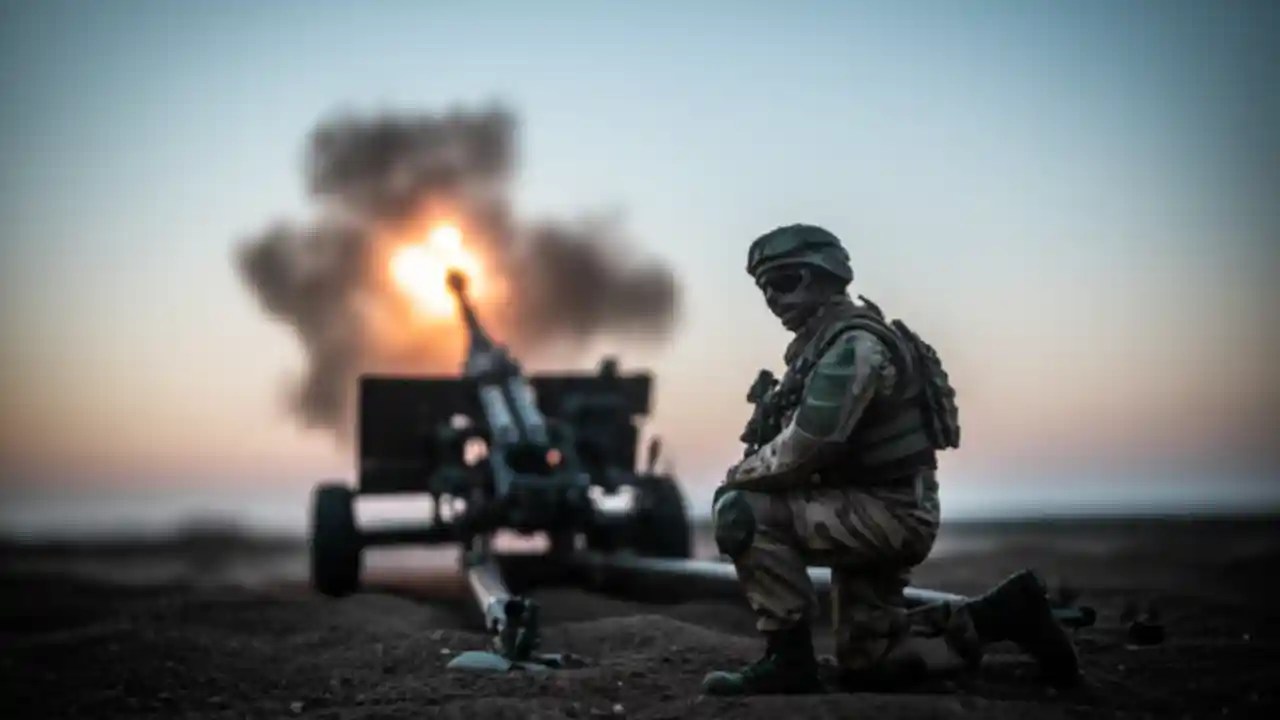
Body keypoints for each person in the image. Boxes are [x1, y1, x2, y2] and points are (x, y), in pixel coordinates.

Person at [703, 224, 1079, 695]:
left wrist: (738, 477)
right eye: (765, 288)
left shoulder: (853, 347)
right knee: (871, 664)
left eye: (785, 282)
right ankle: (1004, 613)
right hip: (873, 504)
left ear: (826, 276)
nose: (773, 299)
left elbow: (807, 446)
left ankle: (789, 661)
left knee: (740, 512)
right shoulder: (820, 348)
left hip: (889, 512)